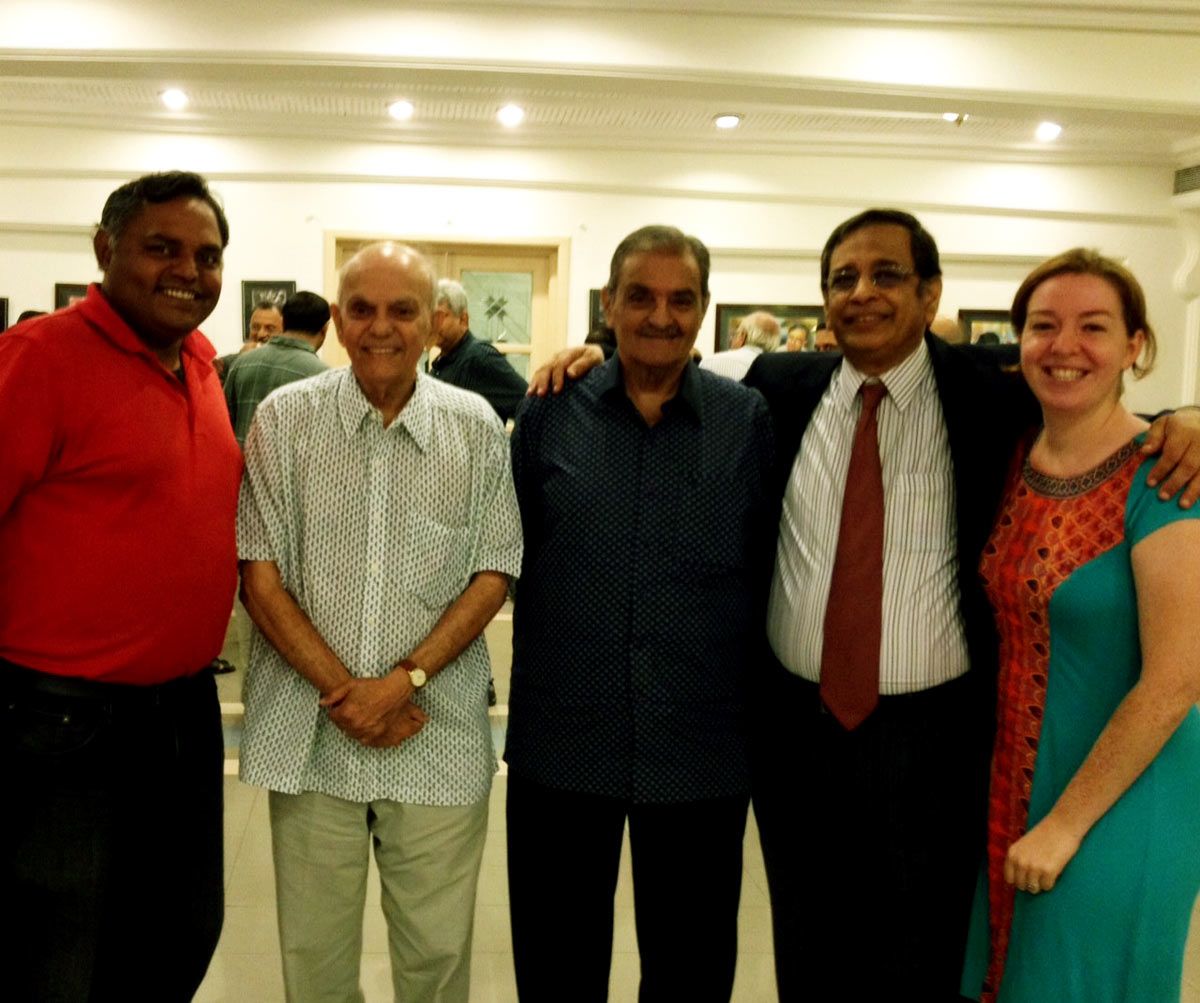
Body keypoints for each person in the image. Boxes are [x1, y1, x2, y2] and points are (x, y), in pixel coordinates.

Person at [528, 208, 1200, 1001]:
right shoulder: (775, 391)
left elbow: (1088, 402)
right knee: (806, 951)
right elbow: (662, 368)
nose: (863, 293)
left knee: (918, 960)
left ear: (929, 292)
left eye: (887, 275)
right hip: (795, 735)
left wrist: (1185, 422)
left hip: (933, 742)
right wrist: (587, 357)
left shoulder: (987, 396)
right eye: (843, 278)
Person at [237, 241, 522, 1003]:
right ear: (336, 319)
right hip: (311, 732)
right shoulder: (284, 421)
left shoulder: (473, 427)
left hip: (436, 727)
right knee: (316, 960)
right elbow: (258, 572)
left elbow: (495, 568)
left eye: (403, 310)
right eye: (361, 308)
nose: (381, 327)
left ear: (434, 323)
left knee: (434, 960)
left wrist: (401, 682)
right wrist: (352, 694)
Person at [506, 225, 778, 1002]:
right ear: (609, 305)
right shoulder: (551, 412)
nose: (661, 315)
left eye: (681, 299)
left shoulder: (747, 419)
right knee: (557, 968)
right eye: (641, 296)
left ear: (703, 310)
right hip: (564, 743)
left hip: (699, 750)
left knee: (691, 972)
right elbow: (509, 556)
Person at [0, 170, 240, 1001]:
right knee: (58, 957)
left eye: (207, 255)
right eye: (162, 248)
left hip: (180, 716)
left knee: (174, 935)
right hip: (62, 724)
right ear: (106, 251)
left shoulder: (203, 364)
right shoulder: (38, 358)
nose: (188, 270)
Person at [960, 250, 1200, 1002]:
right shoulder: (1014, 453)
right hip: (1015, 782)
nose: (1064, 347)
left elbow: (1177, 678)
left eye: (1093, 327)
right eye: (1043, 326)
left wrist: (1066, 825)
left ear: (1136, 346)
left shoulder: (1166, 476)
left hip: (1123, 796)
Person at [225, 289, 330, 446]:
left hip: (241, 468)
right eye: (255, 327)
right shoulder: (324, 377)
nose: (261, 334)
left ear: (284, 323)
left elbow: (222, 424)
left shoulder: (241, 363)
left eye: (269, 328)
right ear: (324, 330)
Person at [430, 277, 528, 423]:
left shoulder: (479, 357)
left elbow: (529, 405)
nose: (433, 324)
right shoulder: (442, 361)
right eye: (431, 317)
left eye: (441, 316)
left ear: (463, 319)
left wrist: (515, 444)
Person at [700, 309, 780, 380]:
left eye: (736, 334)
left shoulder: (709, 362)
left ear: (743, 336)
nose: (732, 340)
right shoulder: (779, 371)